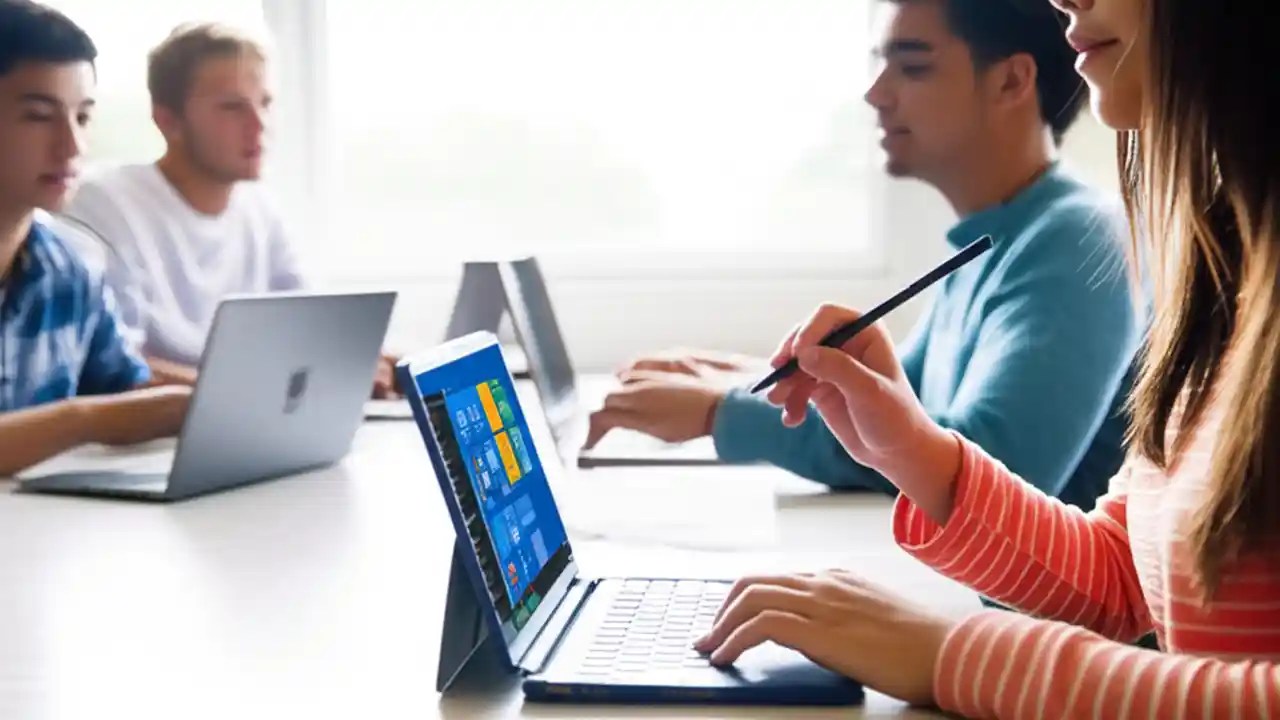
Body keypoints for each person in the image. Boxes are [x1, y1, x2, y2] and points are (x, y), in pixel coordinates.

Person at [693, 0, 1280, 714]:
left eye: (911, 66)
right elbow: (1125, 576)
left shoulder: (1082, 239)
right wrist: (915, 451)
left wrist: (947, 654)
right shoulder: (1232, 266)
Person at [585, 0, 1141, 511]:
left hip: (1055, 621)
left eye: (913, 66)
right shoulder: (1005, 234)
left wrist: (720, 412)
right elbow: (909, 403)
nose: (876, 93)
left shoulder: (1076, 241)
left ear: (1011, 81)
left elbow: (993, 464)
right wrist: (734, 378)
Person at [64, 23, 398, 395]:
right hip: (149, 434)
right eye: (232, 107)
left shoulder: (259, 209)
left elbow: (310, 327)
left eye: (265, 104)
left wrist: (364, 362)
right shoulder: (105, 204)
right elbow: (112, 366)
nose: (259, 125)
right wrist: (262, 391)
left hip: (247, 419)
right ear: (168, 121)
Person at [0, 0, 189, 477]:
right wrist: (83, 419)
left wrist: (240, 397)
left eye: (82, 117)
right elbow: (103, 414)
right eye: (39, 116)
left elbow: (124, 393)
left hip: (40, 540)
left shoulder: (71, 268)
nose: (72, 147)